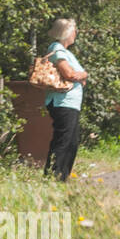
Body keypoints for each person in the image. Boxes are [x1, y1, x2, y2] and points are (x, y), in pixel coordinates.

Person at [43, 18, 88, 182]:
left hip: (70, 104)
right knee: (63, 141)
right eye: (74, 31)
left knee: (72, 142)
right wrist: (84, 74)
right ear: (67, 33)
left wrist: (80, 76)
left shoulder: (66, 52)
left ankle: (62, 178)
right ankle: (53, 177)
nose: (76, 34)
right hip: (62, 102)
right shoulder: (57, 49)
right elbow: (69, 74)